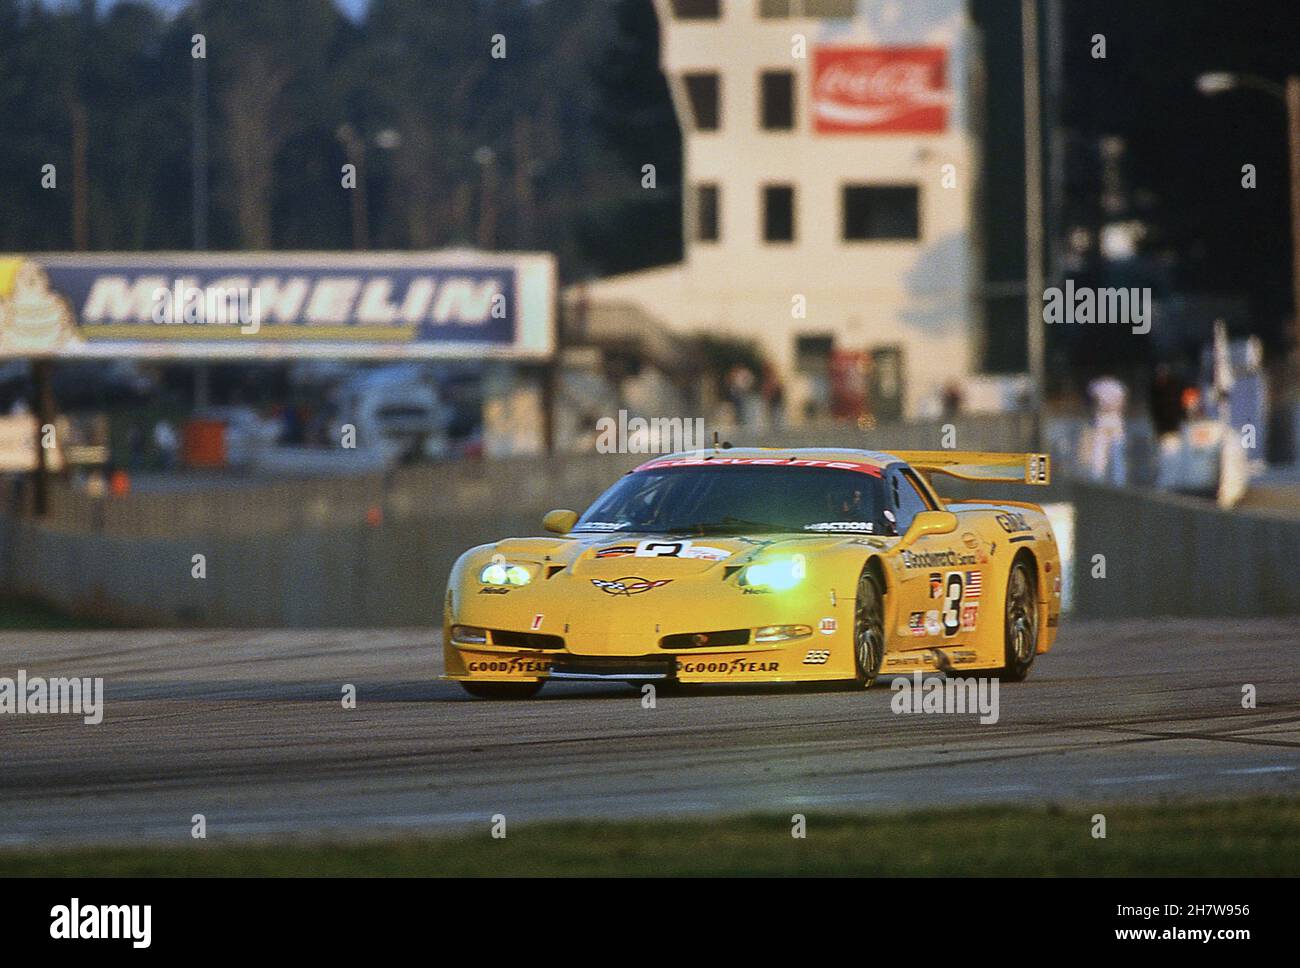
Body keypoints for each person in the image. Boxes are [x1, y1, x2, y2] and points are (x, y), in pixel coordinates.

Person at [1085, 375, 1127, 485]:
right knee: (1117, 451)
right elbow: (1122, 403)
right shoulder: (1118, 385)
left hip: (1102, 418)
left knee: (1100, 450)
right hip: (1115, 418)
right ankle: (1119, 480)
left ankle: (1097, 478)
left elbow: (1092, 401)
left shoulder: (1096, 384)